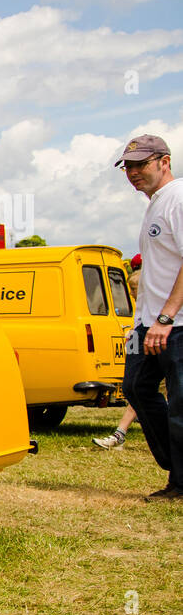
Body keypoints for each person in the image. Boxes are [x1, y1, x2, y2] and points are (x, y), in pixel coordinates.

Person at [117, 134, 183, 500]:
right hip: (149, 323)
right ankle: (176, 467)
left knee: (180, 403)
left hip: (174, 324)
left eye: (141, 164)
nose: (133, 172)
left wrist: (166, 317)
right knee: (135, 388)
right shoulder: (155, 204)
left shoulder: (178, 198)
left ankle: (180, 481)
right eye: (128, 166)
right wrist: (144, 320)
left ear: (164, 161)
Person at [94, 254, 143, 450]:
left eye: (132, 289)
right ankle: (119, 435)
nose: (130, 293)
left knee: (140, 394)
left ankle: (119, 435)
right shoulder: (139, 307)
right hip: (143, 349)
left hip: (155, 351)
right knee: (137, 393)